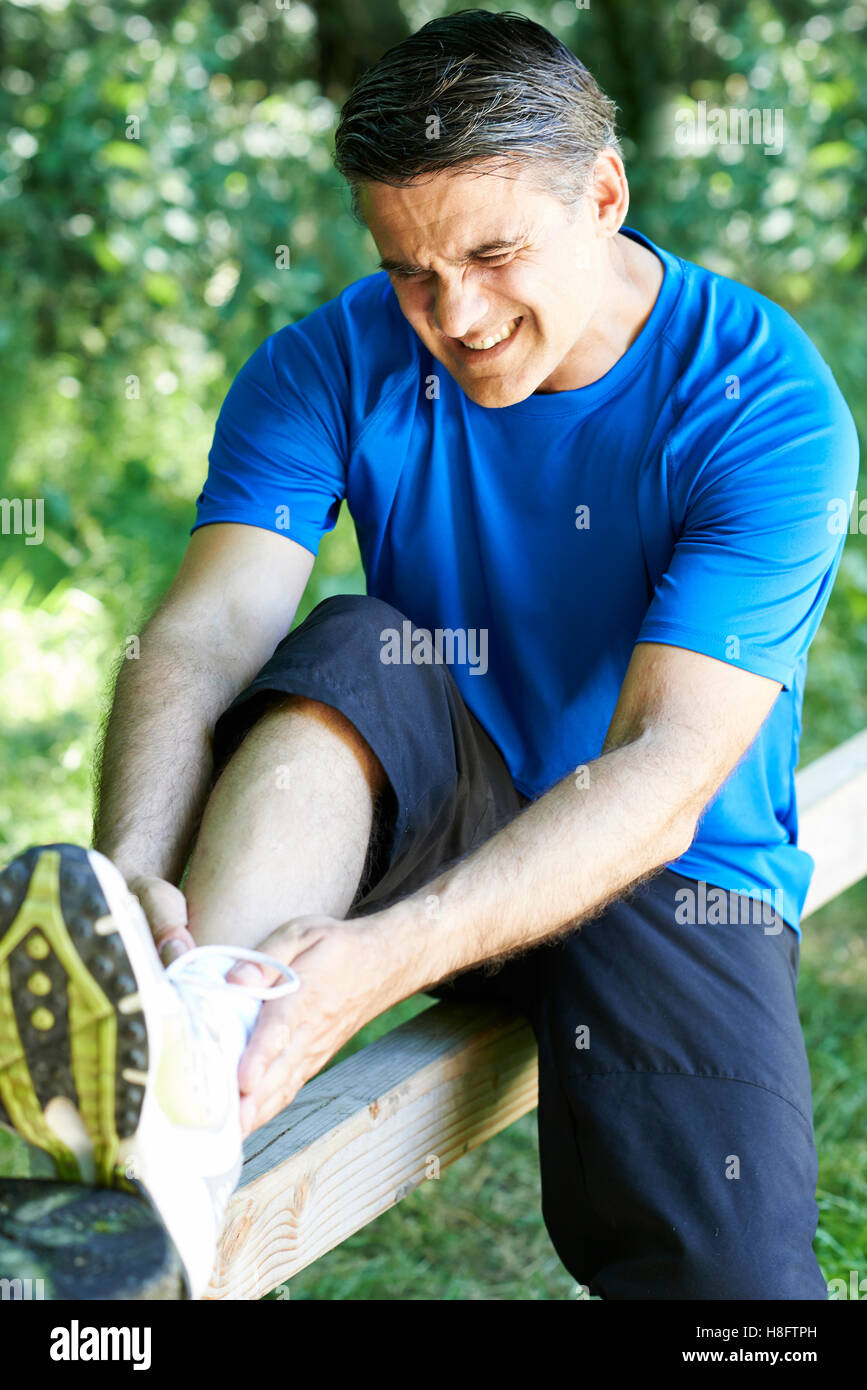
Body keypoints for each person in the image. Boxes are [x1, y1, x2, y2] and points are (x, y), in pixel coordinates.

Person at [0, 10, 858, 1300]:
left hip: (664, 862)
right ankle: (183, 1054)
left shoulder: (763, 404)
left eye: (493, 253)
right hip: (429, 804)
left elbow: (666, 766)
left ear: (606, 196)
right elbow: (209, 628)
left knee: (737, 1295)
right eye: (410, 268)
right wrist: (132, 878)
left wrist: (385, 963)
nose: (453, 315)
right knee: (360, 644)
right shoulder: (327, 361)